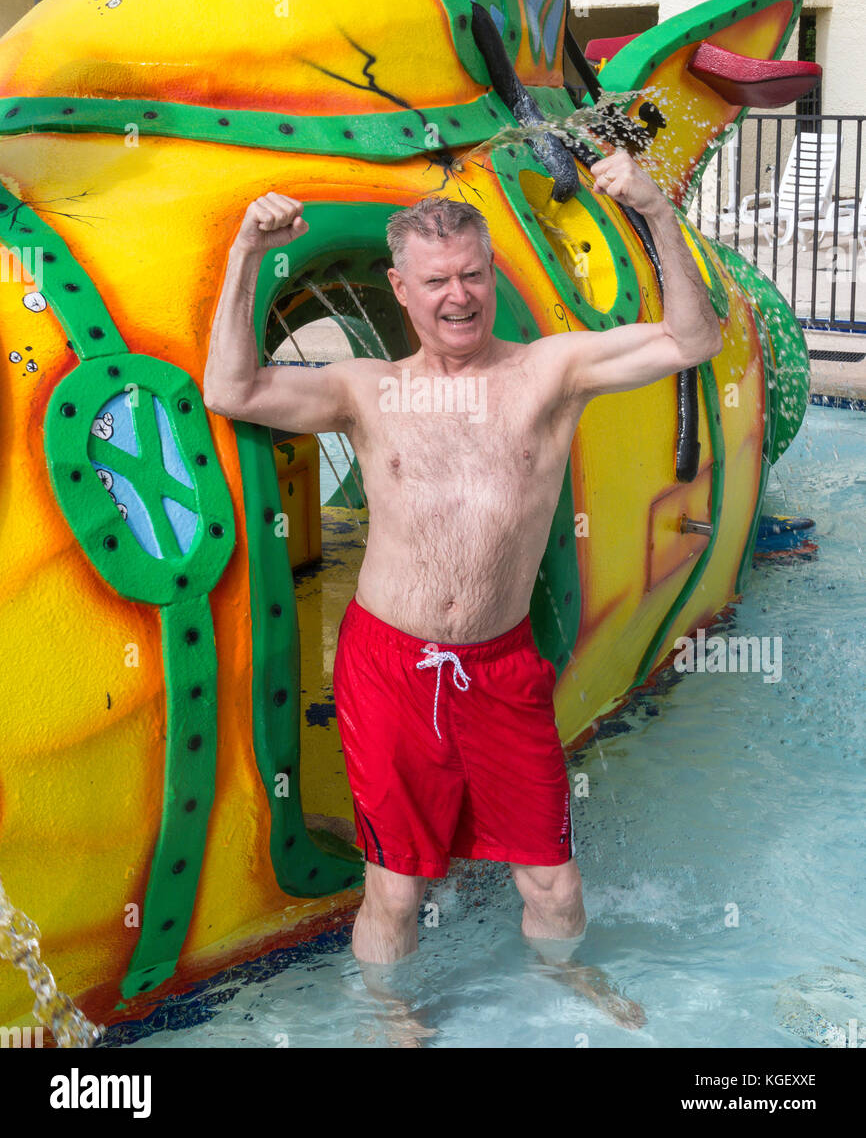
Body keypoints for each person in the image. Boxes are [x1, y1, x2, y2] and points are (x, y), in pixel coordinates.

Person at [203, 148, 724, 1040]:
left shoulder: (548, 374)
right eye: (437, 279)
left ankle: (563, 998)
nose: (460, 296)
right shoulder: (368, 390)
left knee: (553, 878)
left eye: (474, 275)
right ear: (399, 289)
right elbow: (232, 387)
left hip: (500, 666)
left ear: (490, 275)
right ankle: (396, 1018)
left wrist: (658, 215)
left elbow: (691, 340)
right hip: (388, 665)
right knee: (396, 887)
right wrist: (248, 253)